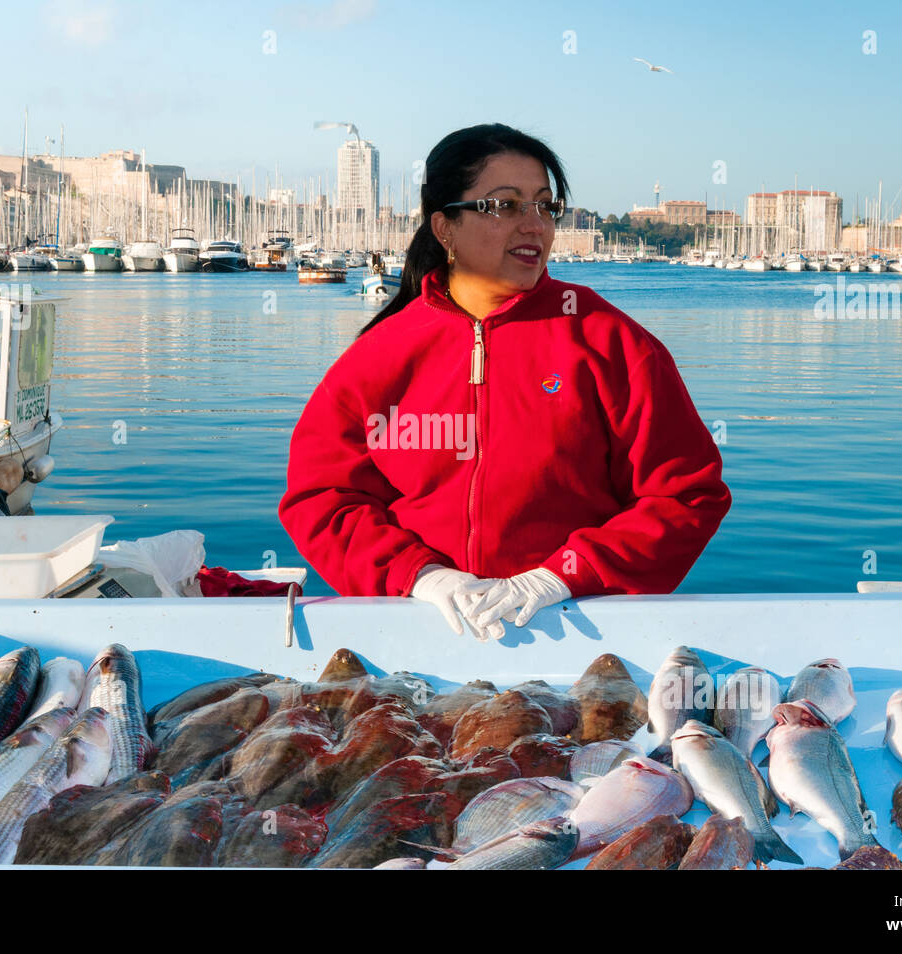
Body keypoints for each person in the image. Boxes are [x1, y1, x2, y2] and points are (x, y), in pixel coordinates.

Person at [278, 123, 730, 641]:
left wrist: (565, 574)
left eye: (545, 206)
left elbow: (687, 494)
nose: (534, 225)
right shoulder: (380, 355)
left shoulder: (607, 342)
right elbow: (321, 497)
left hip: (579, 641)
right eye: (506, 206)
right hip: (416, 639)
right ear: (446, 228)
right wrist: (418, 575)